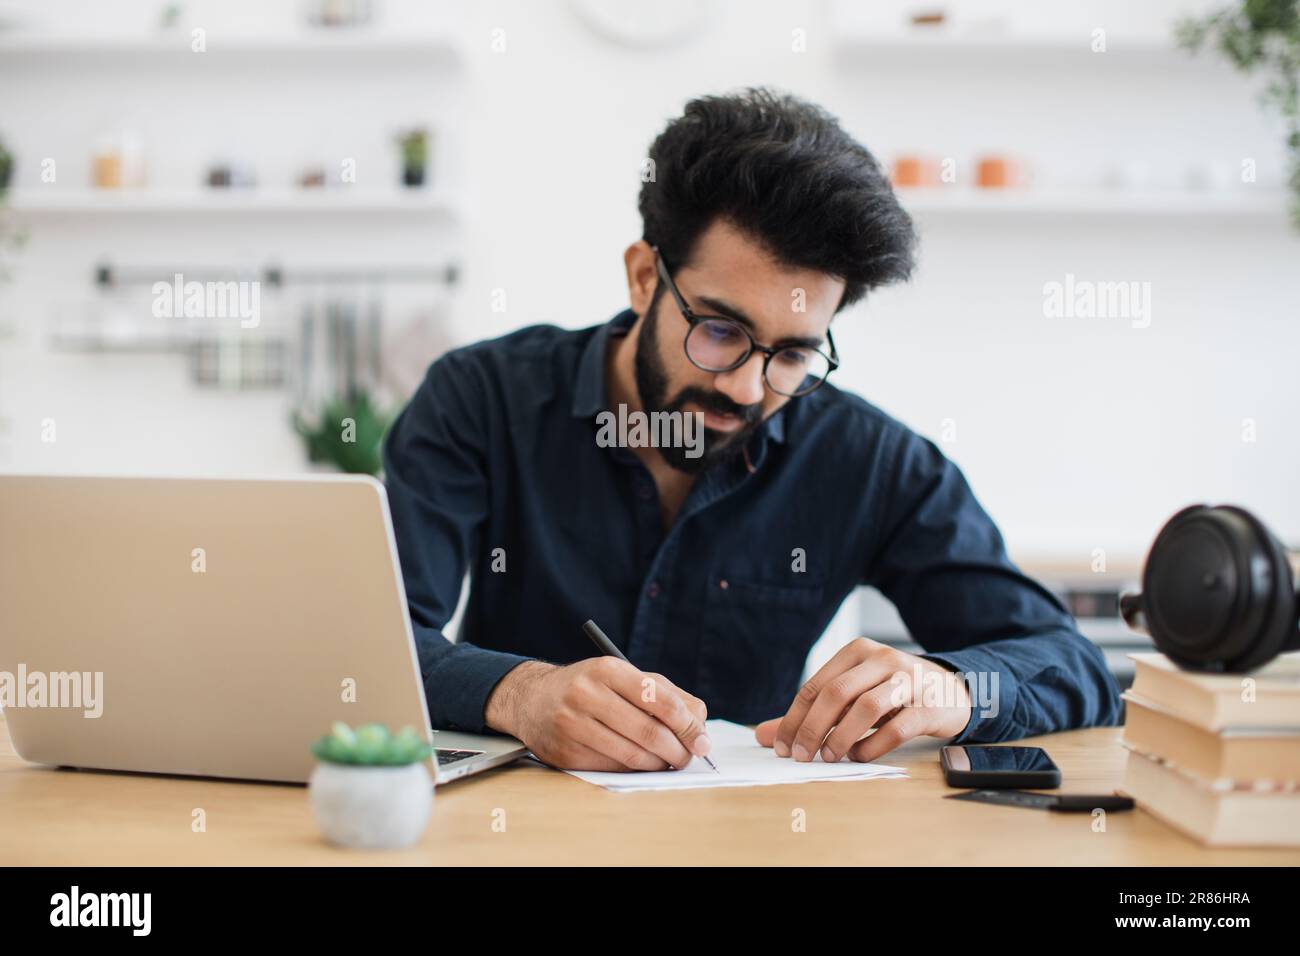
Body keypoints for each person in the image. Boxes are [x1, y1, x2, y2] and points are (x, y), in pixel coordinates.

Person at [383, 88, 1122, 772]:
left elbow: (1072, 665)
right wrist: (519, 693)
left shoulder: (868, 461)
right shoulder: (480, 399)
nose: (743, 387)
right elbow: (372, 647)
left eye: (793, 353)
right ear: (645, 277)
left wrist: (949, 689)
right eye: (718, 329)